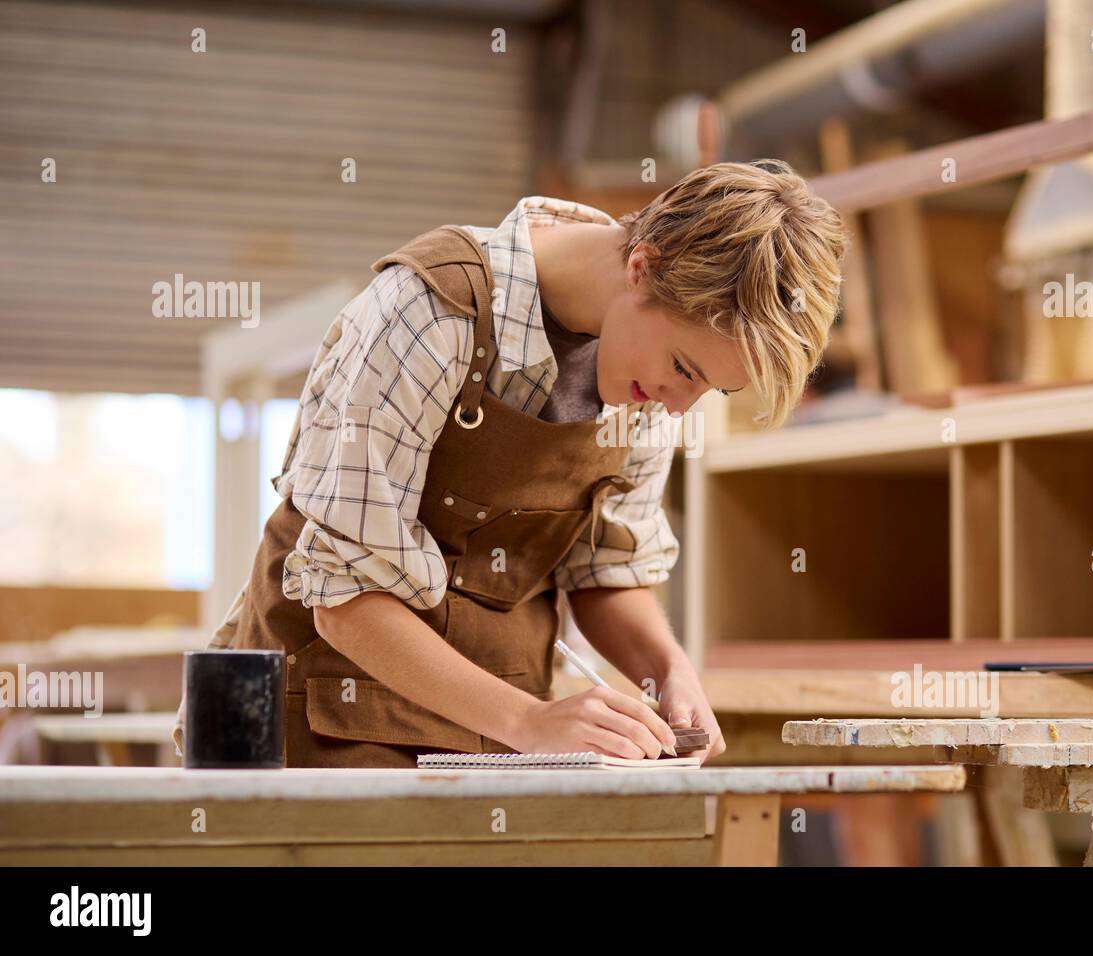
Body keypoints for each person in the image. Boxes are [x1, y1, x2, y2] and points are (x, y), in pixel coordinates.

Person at [171, 159, 847, 767]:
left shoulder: (646, 383)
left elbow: (604, 570)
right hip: (324, 724)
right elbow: (345, 601)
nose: (678, 406)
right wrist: (530, 722)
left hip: (502, 745)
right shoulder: (429, 314)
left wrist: (665, 670)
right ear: (643, 266)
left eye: (710, 388)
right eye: (683, 369)